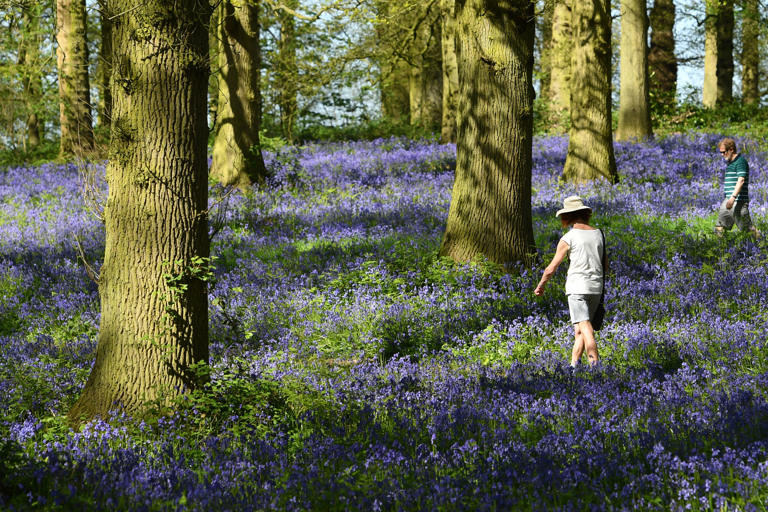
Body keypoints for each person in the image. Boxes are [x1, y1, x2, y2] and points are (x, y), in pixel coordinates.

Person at [534, 196, 605, 367]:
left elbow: (551, 268)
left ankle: (595, 365)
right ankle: (573, 368)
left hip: (577, 288)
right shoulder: (599, 234)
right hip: (596, 287)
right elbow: (605, 264)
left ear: (568, 216)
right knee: (579, 331)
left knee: (586, 327)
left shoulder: (569, 238)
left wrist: (540, 285)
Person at [716, 137, 761, 238]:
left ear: (731, 149)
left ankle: (763, 247)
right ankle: (722, 250)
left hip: (738, 201)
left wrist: (733, 198)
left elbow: (741, 180)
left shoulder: (740, 162)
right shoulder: (730, 164)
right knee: (720, 228)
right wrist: (729, 198)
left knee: (748, 230)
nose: (722, 155)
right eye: (721, 153)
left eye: (724, 152)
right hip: (728, 200)